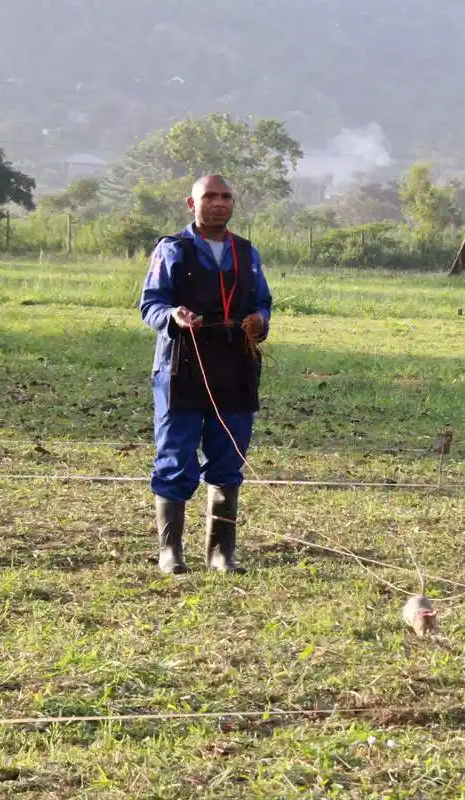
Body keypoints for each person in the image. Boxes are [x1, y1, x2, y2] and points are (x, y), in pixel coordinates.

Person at [138, 175, 272, 575]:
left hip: (236, 364)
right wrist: (173, 317)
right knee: (175, 458)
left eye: (225, 196)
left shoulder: (247, 252)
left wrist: (258, 320)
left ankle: (220, 553)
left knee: (229, 458)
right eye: (209, 197)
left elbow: (264, 301)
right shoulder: (172, 250)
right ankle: (170, 552)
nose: (218, 203)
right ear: (190, 204)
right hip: (183, 365)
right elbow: (151, 304)